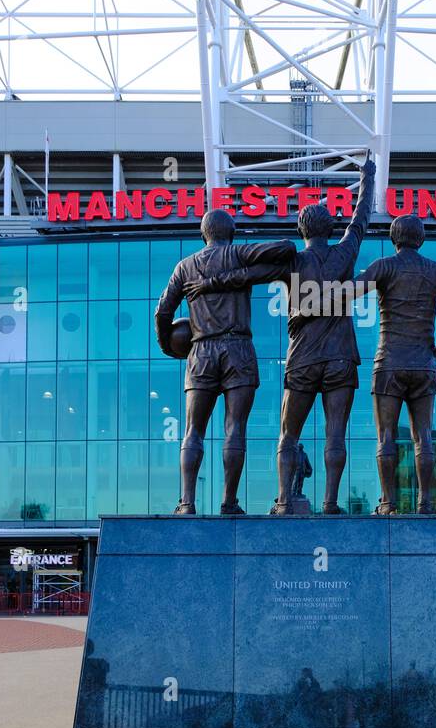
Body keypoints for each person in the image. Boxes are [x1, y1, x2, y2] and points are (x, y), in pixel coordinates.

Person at [185, 158, 375, 514]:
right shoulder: (346, 252)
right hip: (340, 358)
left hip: (302, 358)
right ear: (330, 227)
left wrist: (208, 282)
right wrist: (368, 176)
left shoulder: (290, 263)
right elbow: (361, 217)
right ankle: (331, 503)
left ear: (301, 230)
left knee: (289, 435)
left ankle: (286, 500)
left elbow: (245, 275)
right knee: (336, 434)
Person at [155, 211, 296, 514]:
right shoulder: (238, 253)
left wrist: (167, 345)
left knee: (194, 430)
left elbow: (162, 312)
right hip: (238, 348)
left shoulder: (185, 266)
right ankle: (229, 502)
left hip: (201, 351)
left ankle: (187, 503)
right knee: (236, 428)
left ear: (203, 234)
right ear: (230, 232)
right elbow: (287, 247)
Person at [351, 215, 436, 514]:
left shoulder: (384, 266)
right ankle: (425, 503)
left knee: (386, 436)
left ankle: (388, 503)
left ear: (394, 239)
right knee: (423, 437)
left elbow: (347, 293)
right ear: (420, 239)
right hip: (423, 363)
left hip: (389, 362)